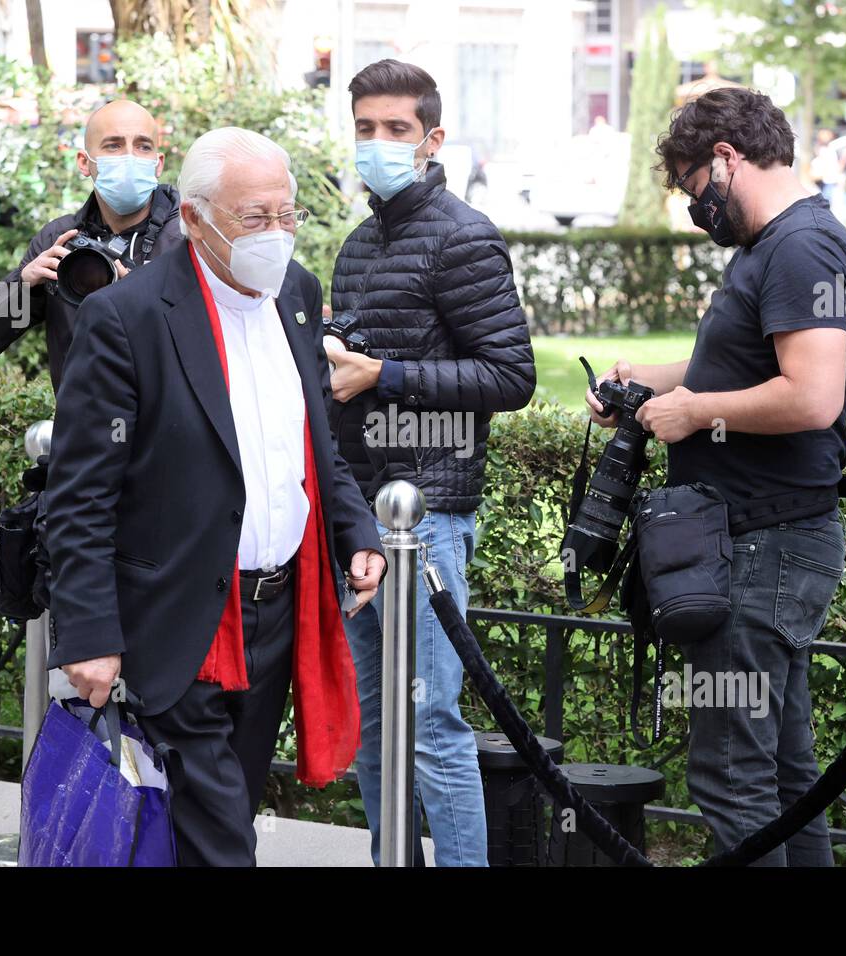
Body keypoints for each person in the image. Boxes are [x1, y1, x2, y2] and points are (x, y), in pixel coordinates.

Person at [45, 127, 385, 866]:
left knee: (218, 820)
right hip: (183, 619)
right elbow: (79, 495)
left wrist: (356, 530)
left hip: (278, 613)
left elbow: (313, 440)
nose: (276, 235)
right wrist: (90, 634)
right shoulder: (126, 317)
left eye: (287, 216)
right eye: (253, 218)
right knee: (222, 842)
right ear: (194, 220)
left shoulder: (296, 295)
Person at [586, 88, 846, 866]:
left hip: (764, 544)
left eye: (690, 187)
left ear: (726, 158)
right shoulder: (777, 244)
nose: (693, 207)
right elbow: (740, 364)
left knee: (730, 777)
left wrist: (693, 412)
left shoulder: (799, 248)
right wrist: (649, 381)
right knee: (783, 777)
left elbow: (812, 394)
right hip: (768, 540)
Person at [328, 59, 536, 867]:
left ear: (432, 138)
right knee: (373, 725)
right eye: (365, 129)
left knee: (431, 728)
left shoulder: (464, 235)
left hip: (431, 517)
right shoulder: (358, 242)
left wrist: (386, 375)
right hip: (366, 523)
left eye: (396, 130)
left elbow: (511, 378)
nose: (377, 144)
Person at [0, 99, 183, 390]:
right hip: (85, 427)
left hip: (168, 429)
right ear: (84, 162)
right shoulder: (60, 240)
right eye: (113, 146)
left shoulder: (188, 239)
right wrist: (23, 285)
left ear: (158, 163)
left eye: (143, 146)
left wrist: (138, 298)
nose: (130, 157)